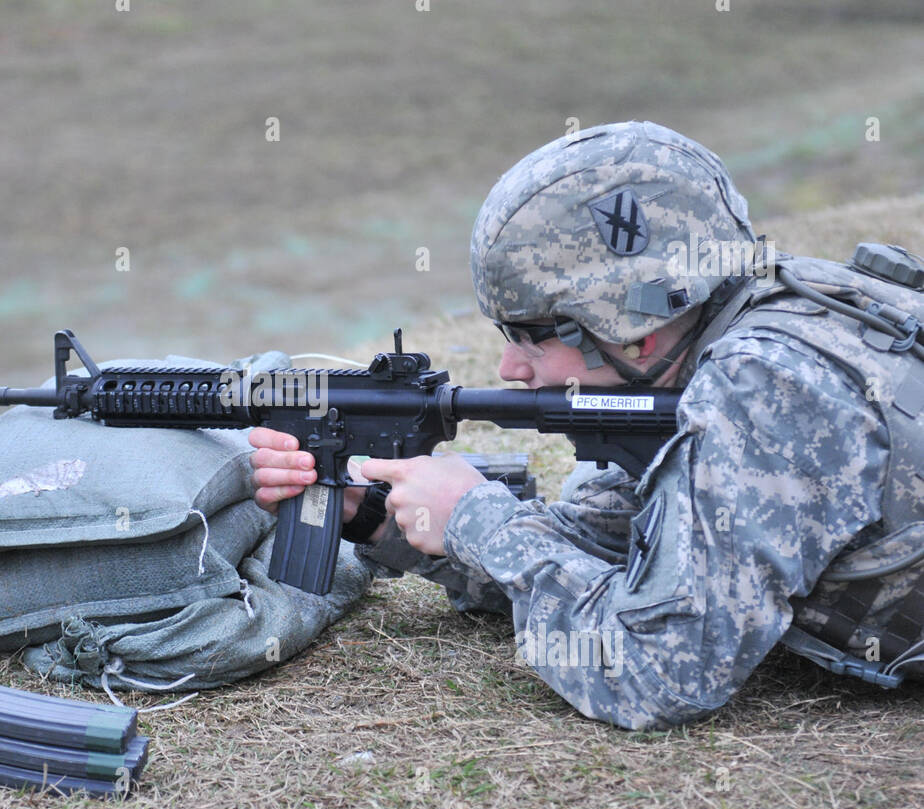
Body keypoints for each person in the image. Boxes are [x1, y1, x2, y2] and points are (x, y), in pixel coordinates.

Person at [249, 120, 924, 730]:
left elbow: (659, 671)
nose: (512, 366)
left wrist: (480, 519)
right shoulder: (732, 331)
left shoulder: (763, 390)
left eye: (534, 335)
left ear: (629, 329)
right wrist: (373, 515)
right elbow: (612, 555)